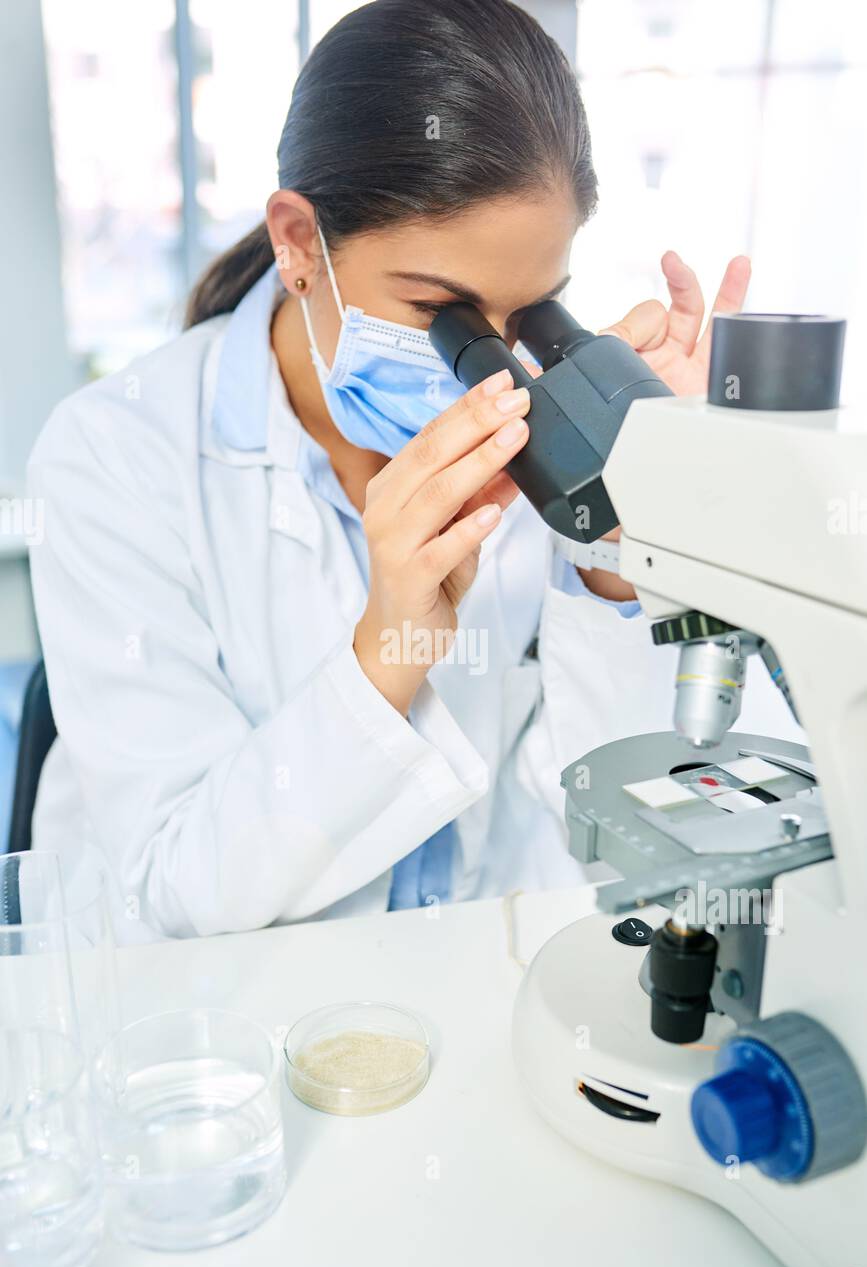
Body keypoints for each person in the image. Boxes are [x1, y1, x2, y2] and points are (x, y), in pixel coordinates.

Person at [27, 0, 798, 943]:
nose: (492, 358)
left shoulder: (543, 438)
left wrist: (614, 550)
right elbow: (179, 888)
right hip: (209, 1013)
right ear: (299, 242)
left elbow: (619, 828)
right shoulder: (115, 455)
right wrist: (388, 649)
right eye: (440, 308)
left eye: (531, 315)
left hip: (461, 978)